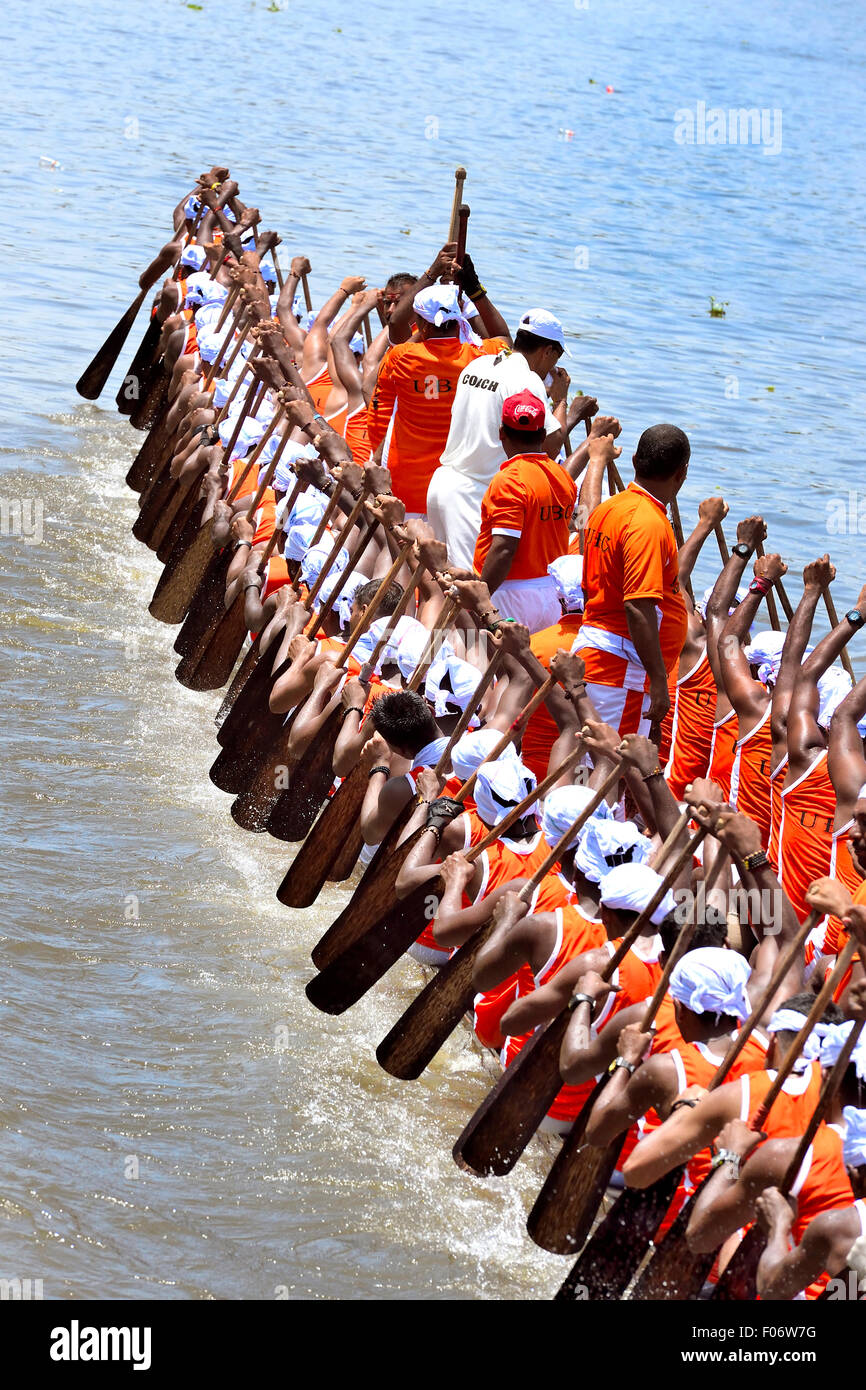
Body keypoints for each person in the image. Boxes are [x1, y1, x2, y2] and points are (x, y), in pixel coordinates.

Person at [427, 308, 596, 568]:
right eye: (557, 357)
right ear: (547, 351)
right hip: (475, 495)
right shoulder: (527, 380)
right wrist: (561, 400)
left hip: (442, 483)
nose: (554, 366)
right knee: (467, 589)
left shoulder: (479, 364)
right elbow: (548, 448)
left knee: (438, 579)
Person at [576, 423, 690, 738]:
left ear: (635, 460)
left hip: (602, 659)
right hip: (619, 671)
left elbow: (588, 568)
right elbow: (638, 608)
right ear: (682, 473)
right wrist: (657, 682)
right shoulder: (648, 524)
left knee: (595, 763)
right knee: (611, 768)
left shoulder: (609, 508)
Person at [366, 283, 509, 517]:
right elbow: (504, 338)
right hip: (452, 487)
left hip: (403, 481)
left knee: (397, 546)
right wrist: (474, 293)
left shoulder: (400, 357)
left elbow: (378, 412)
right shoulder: (479, 356)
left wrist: (422, 331)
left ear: (421, 324)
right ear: (457, 319)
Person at [471, 391, 578, 632]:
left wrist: (481, 597)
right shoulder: (563, 476)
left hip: (510, 593)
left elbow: (505, 548)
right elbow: (573, 521)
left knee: (496, 666)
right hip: (552, 595)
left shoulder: (509, 479)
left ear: (501, 433)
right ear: (542, 435)